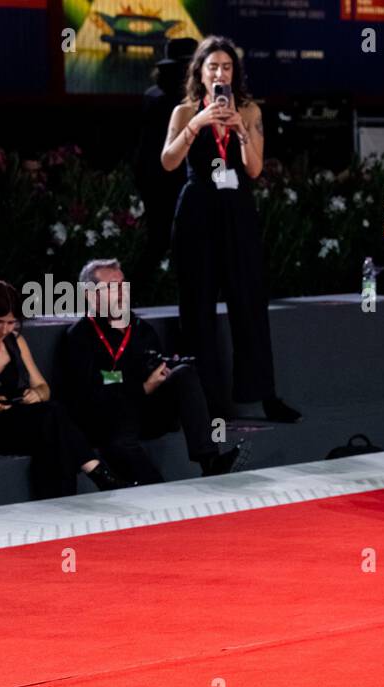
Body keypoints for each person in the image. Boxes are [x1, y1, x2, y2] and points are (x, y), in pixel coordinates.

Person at [159, 35, 301, 424]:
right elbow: (168, 162)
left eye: (226, 67)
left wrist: (240, 130)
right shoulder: (185, 110)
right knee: (197, 306)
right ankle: (204, 402)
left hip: (237, 208)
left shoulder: (250, 110)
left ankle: (265, 395)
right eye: (213, 67)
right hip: (198, 209)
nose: (220, 73)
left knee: (249, 302)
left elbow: (254, 169)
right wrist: (197, 125)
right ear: (200, 73)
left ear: (234, 72)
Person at [0, 280, 133, 497]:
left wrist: (36, 394)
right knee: (53, 420)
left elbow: (43, 387)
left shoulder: (14, 341)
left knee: (52, 425)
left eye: (11, 323)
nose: (4, 329)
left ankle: (66, 498)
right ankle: (99, 475)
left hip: (10, 418)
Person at [59, 258, 245, 484]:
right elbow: (88, 395)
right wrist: (141, 387)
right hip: (108, 419)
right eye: (112, 287)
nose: (121, 293)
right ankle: (154, 487)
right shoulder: (79, 336)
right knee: (117, 427)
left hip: (145, 412)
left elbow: (149, 364)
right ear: (90, 295)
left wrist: (163, 371)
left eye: (123, 285)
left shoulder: (139, 328)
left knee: (183, 373)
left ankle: (211, 462)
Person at [135, 37, 196, 279]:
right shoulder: (179, 101)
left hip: (153, 179)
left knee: (158, 240)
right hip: (174, 180)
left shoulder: (154, 94)